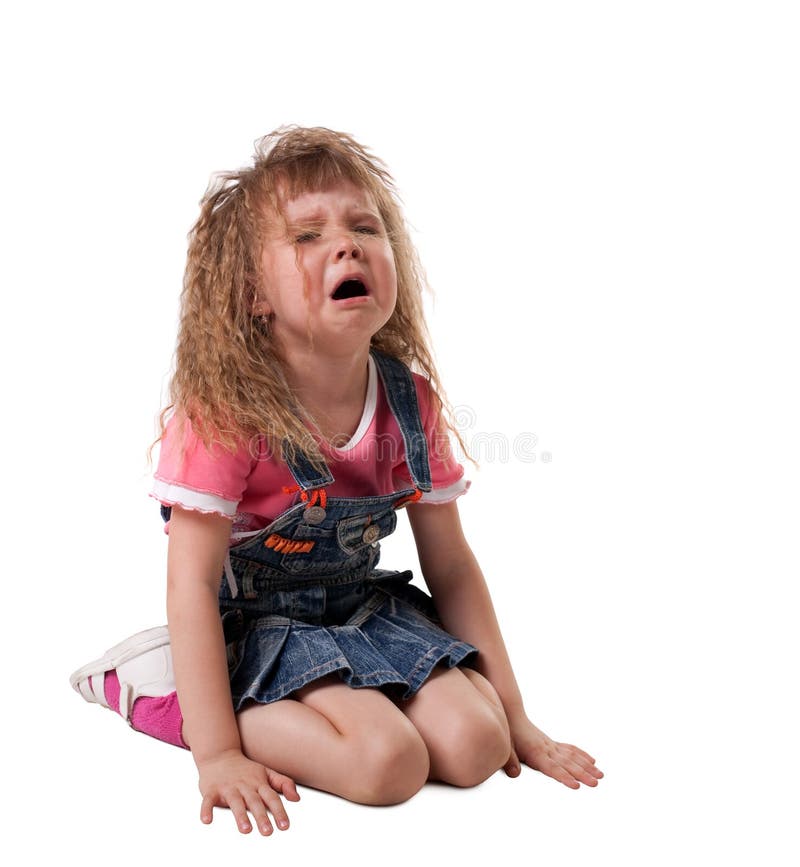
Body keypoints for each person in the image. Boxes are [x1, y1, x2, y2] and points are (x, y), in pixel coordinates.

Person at [70, 126, 603, 836]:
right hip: (260, 629)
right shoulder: (228, 411)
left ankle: (390, 704)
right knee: (387, 765)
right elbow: (190, 585)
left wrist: (521, 718)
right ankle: (177, 699)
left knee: (480, 743)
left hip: (361, 610)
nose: (345, 245)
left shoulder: (408, 401)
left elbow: (451, 564)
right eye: (307, 236)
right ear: (254, 293)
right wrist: (219, 751)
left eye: (364, 226)